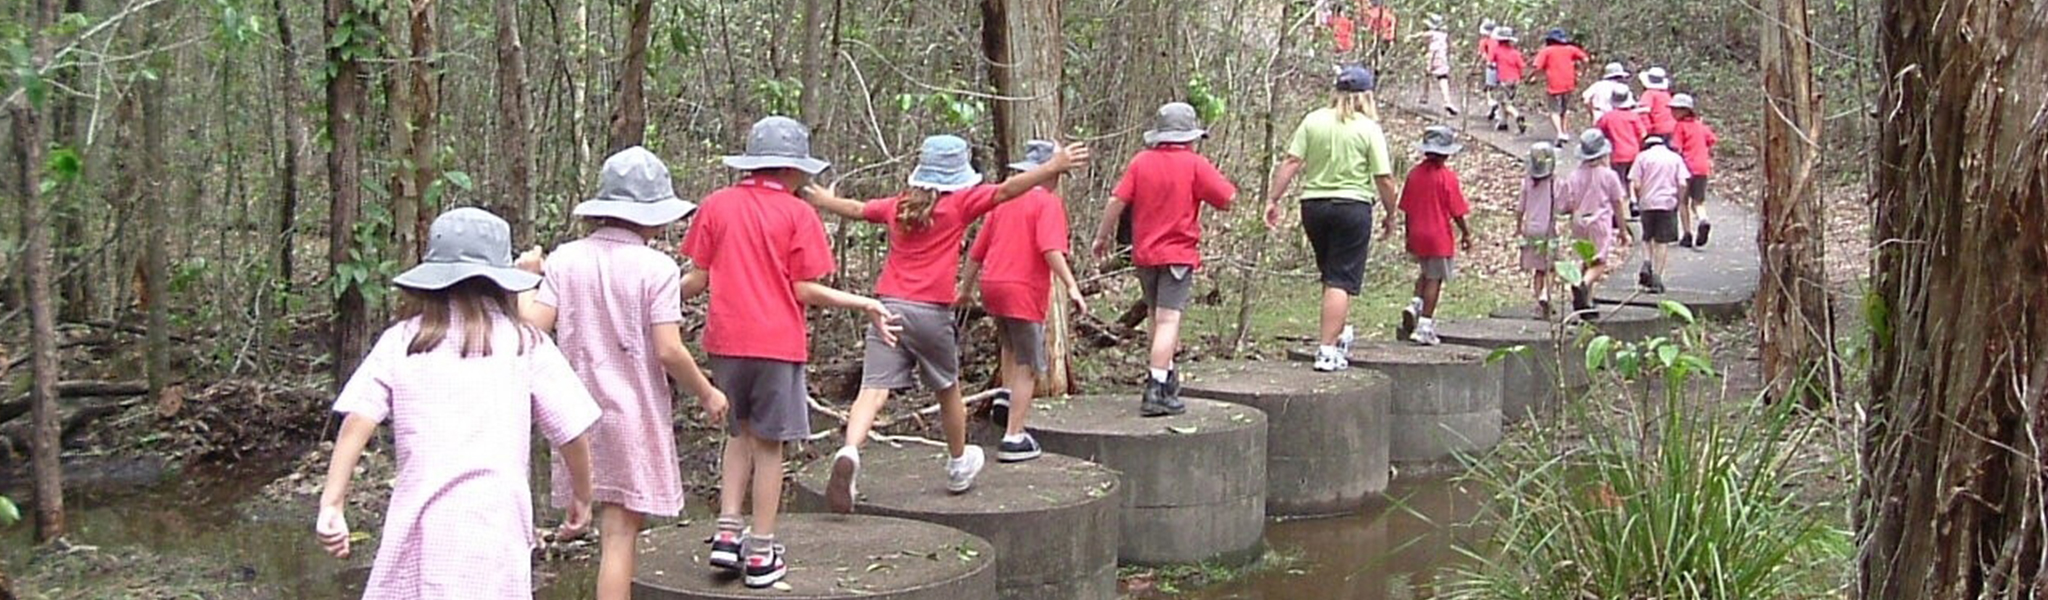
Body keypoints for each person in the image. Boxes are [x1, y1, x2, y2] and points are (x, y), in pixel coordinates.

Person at [315, 207, 601, 599]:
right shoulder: (525, 343)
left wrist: (332, 503)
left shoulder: (403, 340)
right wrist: (581, 497)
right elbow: (572, 431)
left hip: (420, 525)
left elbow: (357, 422)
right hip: (496, 530)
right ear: (503, 283)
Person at [807, 135, 1090, 506]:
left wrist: (826, 202)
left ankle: (849, 451)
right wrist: (1052, 167)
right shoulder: (960, 205)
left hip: (887, 307)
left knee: (873, 389)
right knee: (947, 390)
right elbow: (1006, 191)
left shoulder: (901, 205)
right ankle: (958, 465)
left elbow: (860, 209)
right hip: (930, 311)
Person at [683, 116, 899, 588]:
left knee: (737, 436)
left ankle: (726, 532)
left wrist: (652, 302)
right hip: (776, 344)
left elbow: (696, 281)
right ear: (791, 170)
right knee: (769, 445)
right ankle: (760, 552)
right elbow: (805, 288)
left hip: (725, 342)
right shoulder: (799, 215)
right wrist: (863, 302)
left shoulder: (717, 205)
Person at [515, 147, 729, 600]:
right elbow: (669, 351)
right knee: (619, 536)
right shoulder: (658, 269)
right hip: (633, 413)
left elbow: (532, 328)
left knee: (605, 528)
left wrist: (528, 278)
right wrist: (707, 392)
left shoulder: (565, 260)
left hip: (575, 417)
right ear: (652, 216)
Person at [1094, 102, 1237, 413]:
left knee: (1157, 320)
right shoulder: (1195, 164)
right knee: (1168, 319)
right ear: (1189, 136)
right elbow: (1227, 198)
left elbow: (1117, 200)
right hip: (1177, 255)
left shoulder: (1141, 162)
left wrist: (1101, 237)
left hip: (1144, 254)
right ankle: (1156, 386)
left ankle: (1167, 377)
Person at [1263, 65, 1396, 371]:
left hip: (1315, 206)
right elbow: (1384, 177)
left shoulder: (1314, 120)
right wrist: (1391, 212)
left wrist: (1274, 198)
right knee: (1340, 278)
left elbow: (1292, 160)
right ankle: (1326, 349)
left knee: (1332, 274)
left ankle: (1338, 333)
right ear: (1367, 96)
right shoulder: (1368, 128)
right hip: (1352, 207)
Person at [963, 140, 1087, 463]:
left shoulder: (1004, 200)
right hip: (1023, 289)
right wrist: (1071, 285)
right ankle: (1014, 436)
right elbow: (1050, 249)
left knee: (1010, 346)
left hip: (993, 286)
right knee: (1030, 364)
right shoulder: (1046, 203)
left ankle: (1005, 398)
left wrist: (965, 289)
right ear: (1049, 173)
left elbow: (977, 252)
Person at [1390, 125, 1472, 346]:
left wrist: (1408, 237)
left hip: (1417, 232)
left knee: (1425, 272)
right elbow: (1457, 211)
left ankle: (1415, 303)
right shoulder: (1447, 177)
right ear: (1446, 153)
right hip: (1438, 236)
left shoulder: (1414, 174)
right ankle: (1425, 324)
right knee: (1435, 278)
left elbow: (1406, 208)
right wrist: (1465, 233)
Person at [1560, 128, 1632, 312]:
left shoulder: (1574, 175)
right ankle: (1581, 285)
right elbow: (1618, 203)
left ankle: (1586, 301)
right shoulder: (1609, 175)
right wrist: (1623, 230)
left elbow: (1564, 204)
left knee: (1586, 260)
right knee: (1599, 263)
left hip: (1578, 222)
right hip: (1599, 221)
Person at [1631, 135, 1690, 293]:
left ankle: (1646, 262)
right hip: (1667, 203)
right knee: (1661, 242)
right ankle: (1657, 277)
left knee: (1646, 237)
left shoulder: (1642, 157)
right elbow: (1683, 183)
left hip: (1647, 202)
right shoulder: (1675, 158)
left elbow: (1636, 184)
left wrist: (1639, 199)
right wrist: (1679, 199)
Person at [1517, 142, 1564, 316]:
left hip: (1530, 229)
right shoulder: (1554, 183)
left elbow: (1520, 208)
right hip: (1548, 229)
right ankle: (1546, 294)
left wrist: (1518, 227)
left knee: (1538, 270)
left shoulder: (1527, 182)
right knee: (1551, 267)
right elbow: (1562, 204)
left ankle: (1538, 304)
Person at [1669, 93, 1719, 248]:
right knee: (1698, 202)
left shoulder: (1680, 126)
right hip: (1702, 167)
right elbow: (1712, 140)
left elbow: (1676, 147)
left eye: (1676, 110)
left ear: (1685, 111)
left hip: (1686, 168)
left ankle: (1687, 234)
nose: (1673, 112)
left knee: (1682, 201)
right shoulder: (1700, 126)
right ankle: (1703, 220)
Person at [1530, 28, 1591, 146]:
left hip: (1554, 84)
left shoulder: (1546, 51)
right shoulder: (1570, 49)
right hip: (1569, 83)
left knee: (1554, 110)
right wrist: (1582, 71)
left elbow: (1537, 67)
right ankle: (1565, 132)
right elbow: (1585, 58)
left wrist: (1533, 77)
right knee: (1565, 109)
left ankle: (1559, 133)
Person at [1595, 90, 1649, 215]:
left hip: (1617, 153)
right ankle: (1634, 201)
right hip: (1633, 152)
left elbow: (1598, 132)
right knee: (1631, 178)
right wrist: (1638, 143)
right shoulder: (1632, 116)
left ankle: (1621, 209)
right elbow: (1643, 133)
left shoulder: (1608, 116)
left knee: (1619, 180)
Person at [1408, 14, 1458, 115]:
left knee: (1427, 74)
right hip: (1442, 58)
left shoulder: (1432, 34)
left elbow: (1421, 35)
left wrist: (1410, 37)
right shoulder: (1444, 35)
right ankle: (1447, 101)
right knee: (1443, 79)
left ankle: (1425, 95)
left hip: (1432, 57)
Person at [1485, 27, 1528, 134]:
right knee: (1505, 101)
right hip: (1515, 80)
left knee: (1505, 104)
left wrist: (1493, 66)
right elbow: (1522, 66)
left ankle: (1517, 116)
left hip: (1503, 78)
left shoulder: (1496, 50)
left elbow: (1489, 62)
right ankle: (1503, 123)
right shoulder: (1515, 52)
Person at [1639, 67, 1678, 141]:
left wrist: (1648, 130)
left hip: (1658, 130)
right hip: (1673, 129)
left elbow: (1643, 113)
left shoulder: (1649, 94)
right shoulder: (1666, 94)